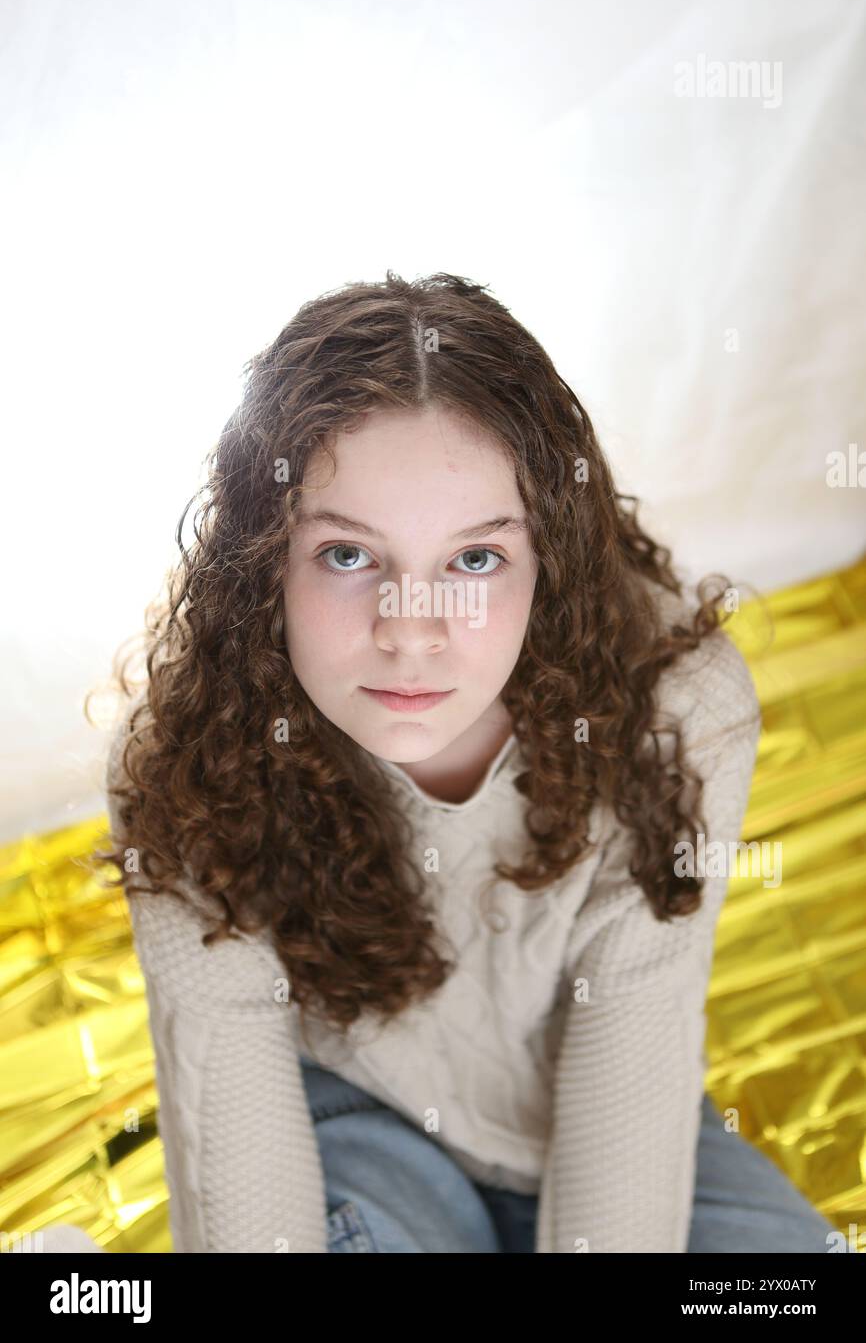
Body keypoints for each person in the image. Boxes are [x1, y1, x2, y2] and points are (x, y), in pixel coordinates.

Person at [96, 271, 838, 1253]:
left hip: (590, 1099)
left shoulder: (676, 708)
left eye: (473, 560)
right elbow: (234, 1122)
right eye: (348, 555)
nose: (411, 631)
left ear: (548, 556)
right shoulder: (186, 755)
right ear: (265, 558)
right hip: (353, 1120)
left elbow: (633, 1030)